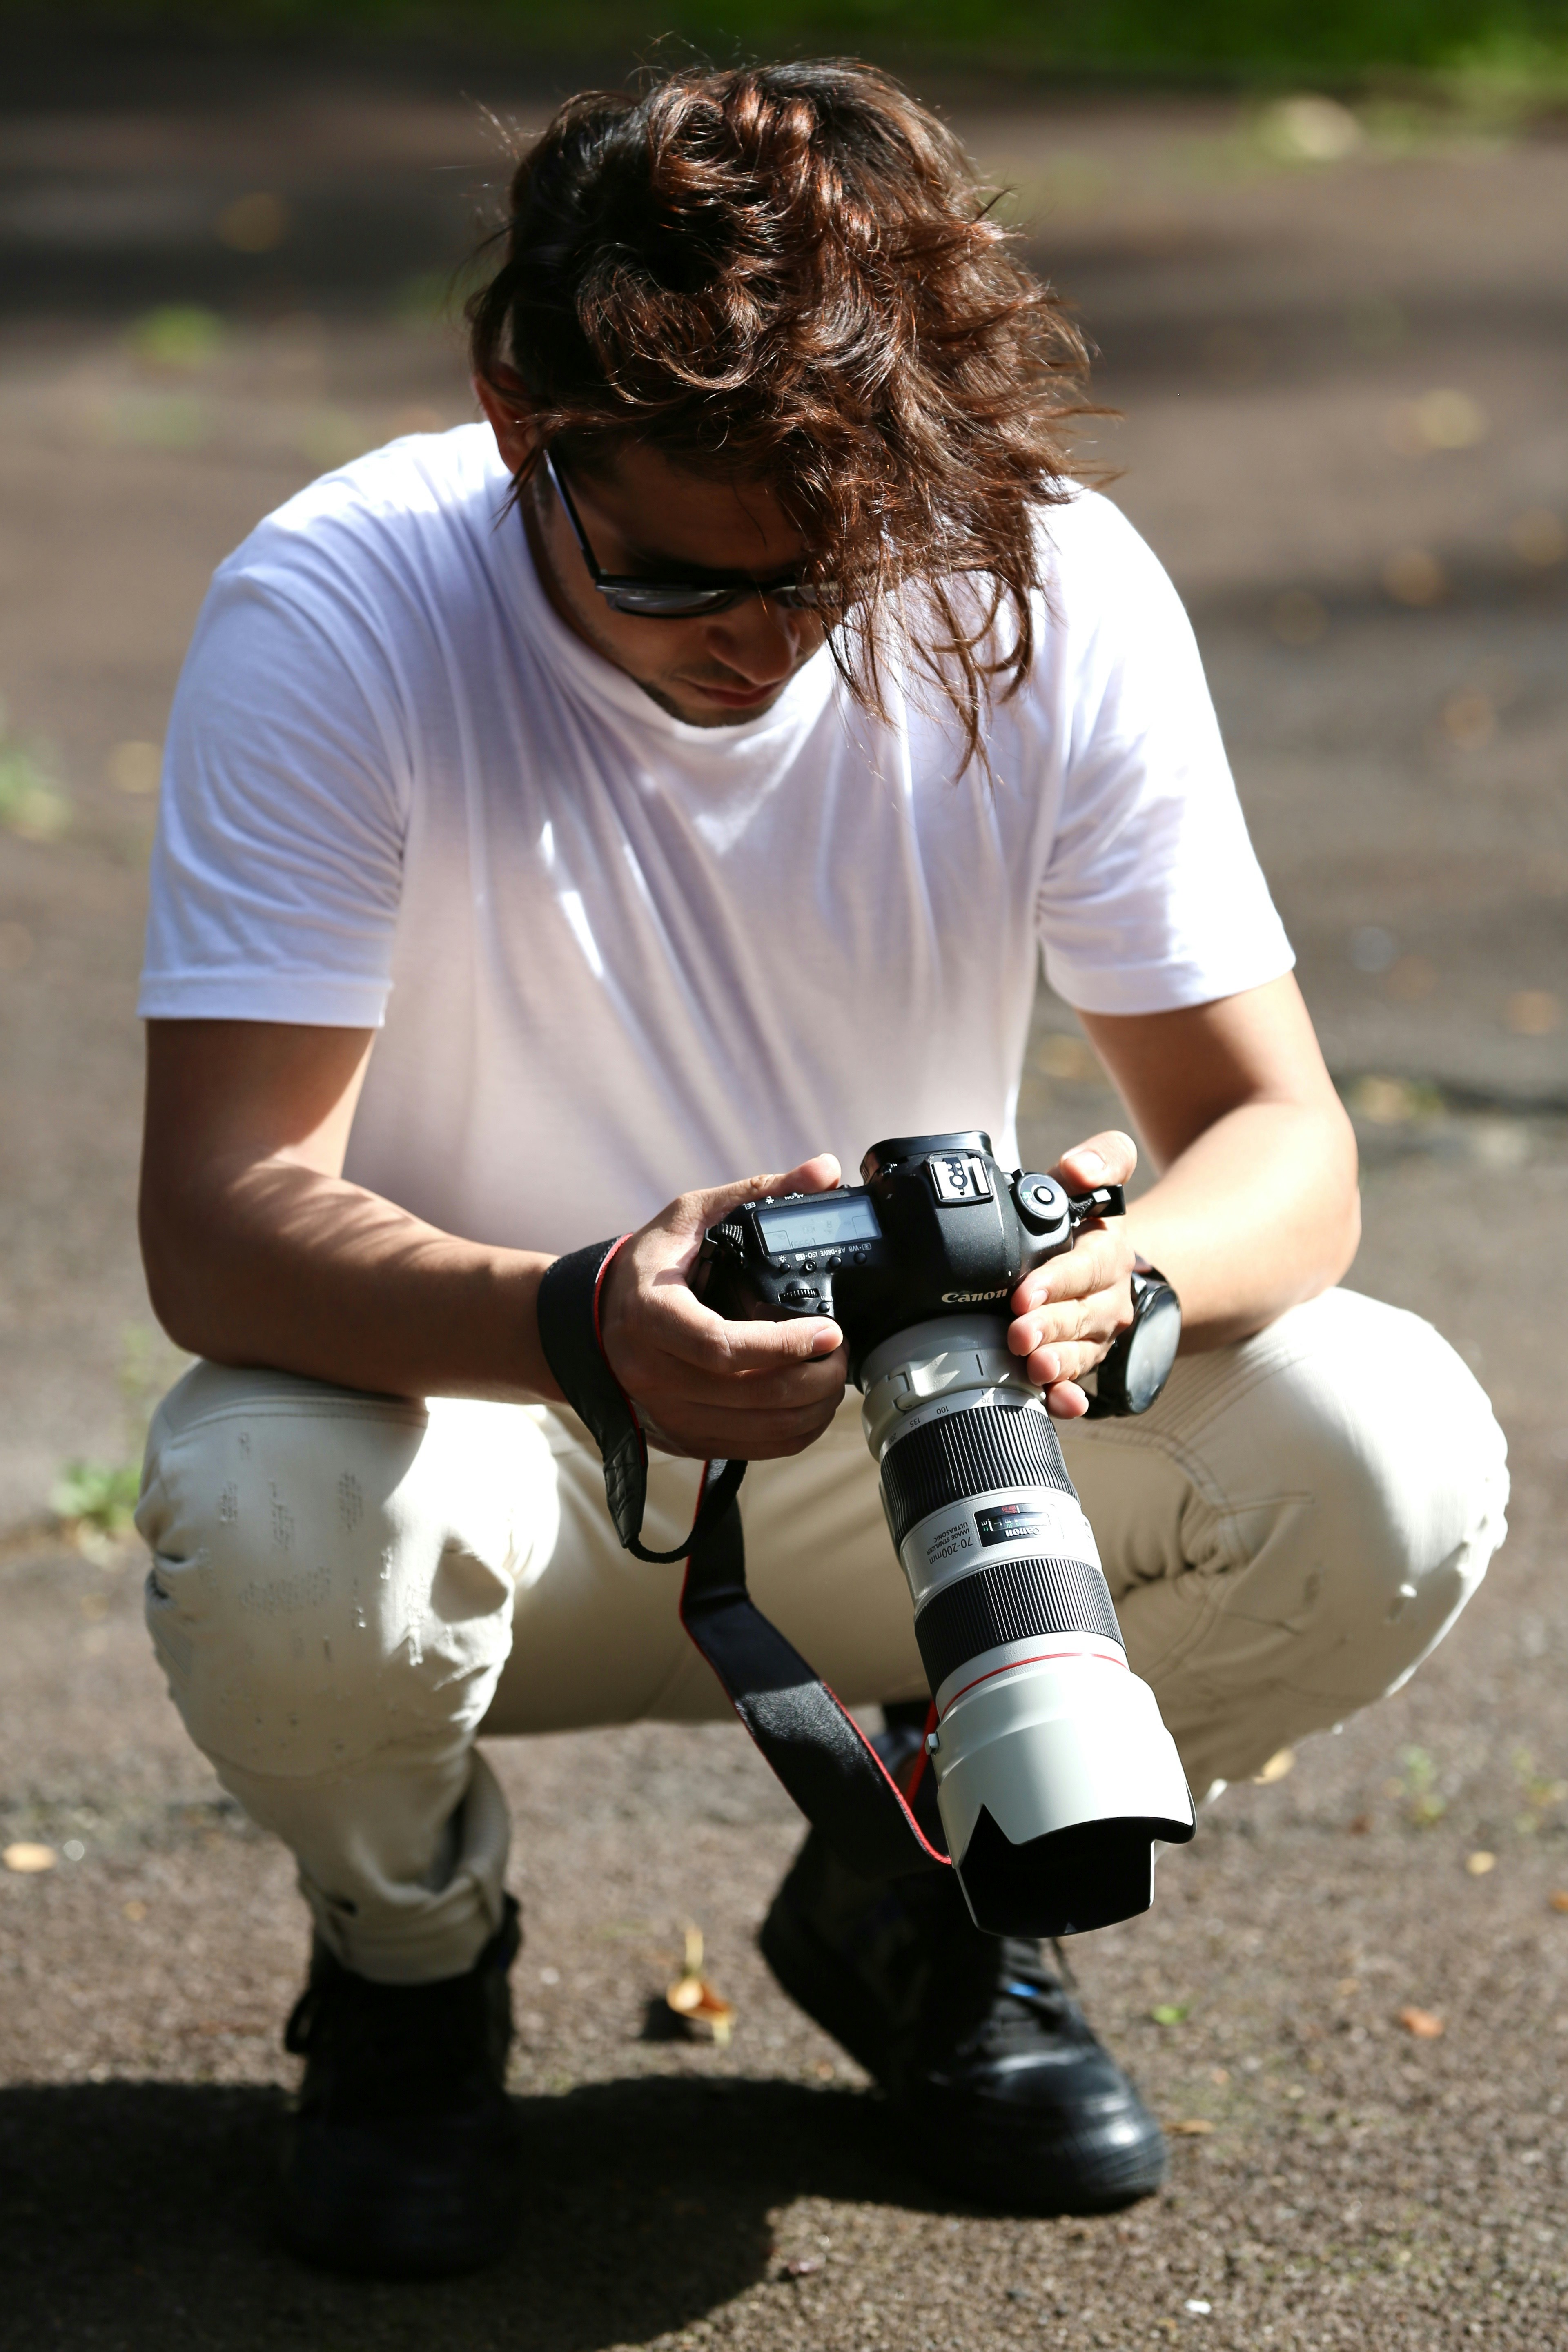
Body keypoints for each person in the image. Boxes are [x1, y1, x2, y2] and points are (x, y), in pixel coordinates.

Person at [132, 60, 1507, 2278]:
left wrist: (1136, 1276)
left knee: (1390, 1450)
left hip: (910, 1446)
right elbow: (219, 1216)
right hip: (486, 1425)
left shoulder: (1031, 570)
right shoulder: (346, 607)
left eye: (835, 576)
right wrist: (573, 1310)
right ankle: (408, 1969)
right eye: (679, 571)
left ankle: (931, 1904)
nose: (769, 639)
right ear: (520, 415)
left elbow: (1282, 1143)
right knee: (270, 1525)